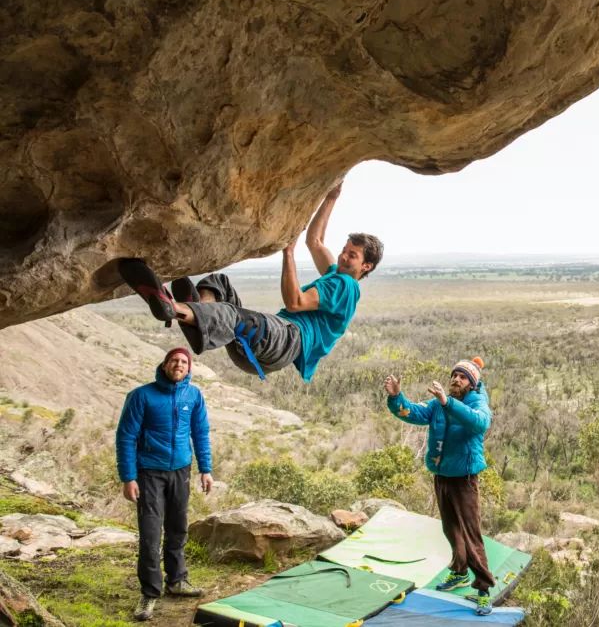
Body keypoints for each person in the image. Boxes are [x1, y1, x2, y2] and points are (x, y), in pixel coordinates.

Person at [116, 181, 383, 382]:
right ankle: (199, 312)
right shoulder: (339, 276)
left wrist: (288, 252)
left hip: (287, 339)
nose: (343, 256)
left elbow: (294, 302)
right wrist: (331, 197)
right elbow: (316, 242)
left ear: (366, 266)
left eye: (352, 256)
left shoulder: (344, 285)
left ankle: (174, 309)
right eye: (345, 250)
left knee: (234, 315)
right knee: (220, 284)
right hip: (259, 356)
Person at [384, 357, 496, 616]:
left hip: (465, 476)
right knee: (450, 528)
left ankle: (483, 589)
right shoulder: (437, 403)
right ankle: (459, 572)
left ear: (472, 382)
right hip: (442, 473)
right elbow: (412, 412)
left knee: (470, 532)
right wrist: (396, 397)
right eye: (454, 375)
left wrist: (449, 403)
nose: (456, 380)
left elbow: (479, 423)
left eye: (463, 377)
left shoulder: (476, 401)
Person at [115, 347, 213, 622]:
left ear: (188, 367)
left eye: (183, 362)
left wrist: (206, 470)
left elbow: (200, 432)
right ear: (165, 364)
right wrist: (128, 477)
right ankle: (149, 592)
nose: (179, 365)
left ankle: (177, 580)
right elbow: (125, 437)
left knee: (178, 528)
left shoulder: (193, 395)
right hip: (149, 472)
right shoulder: (141, 396)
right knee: (149, 533)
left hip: (181, 470)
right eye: (174, 361)